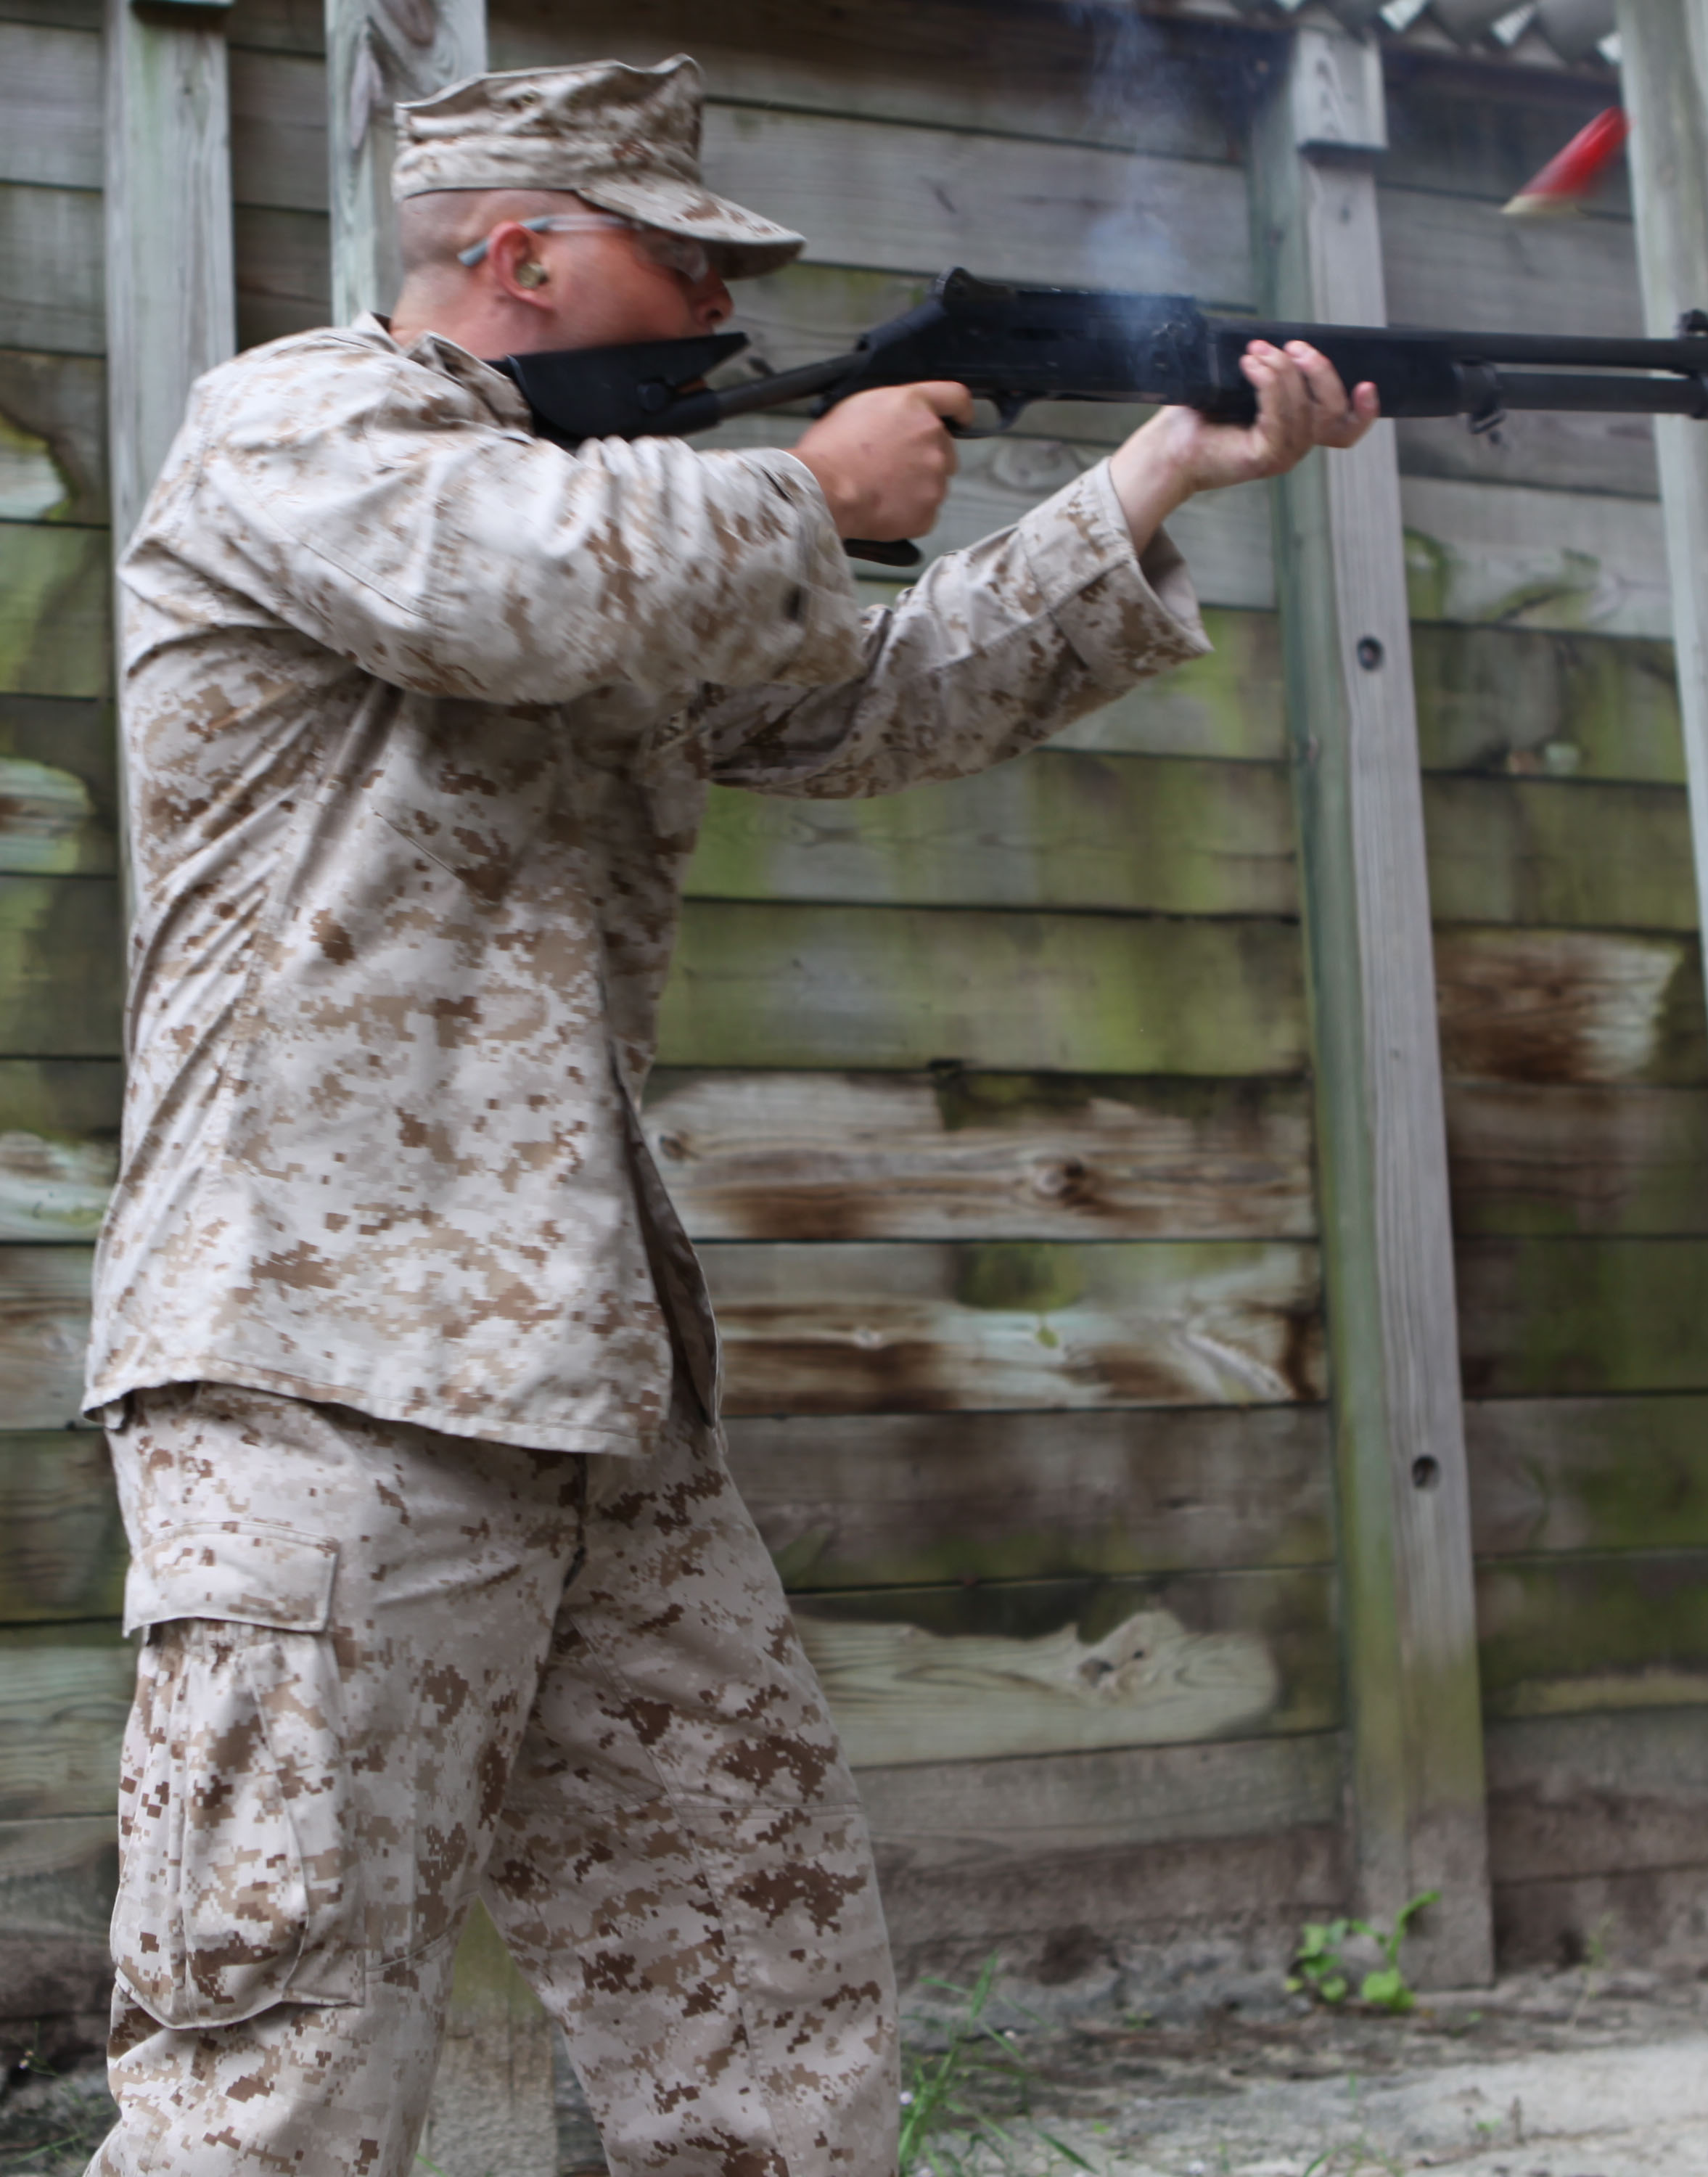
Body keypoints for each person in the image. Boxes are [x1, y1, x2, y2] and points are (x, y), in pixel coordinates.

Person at [81, 54, 1374, 2177]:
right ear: (520, 256)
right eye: (681, 264)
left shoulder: (637, 534)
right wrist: (817, 492)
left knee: (766, 2027)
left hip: (589, 1392)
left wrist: (1152, 483)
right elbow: (521, 583)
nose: (717, 314)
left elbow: (866, 697)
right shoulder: (300, 427)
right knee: (275, 2074)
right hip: (318, 1380)